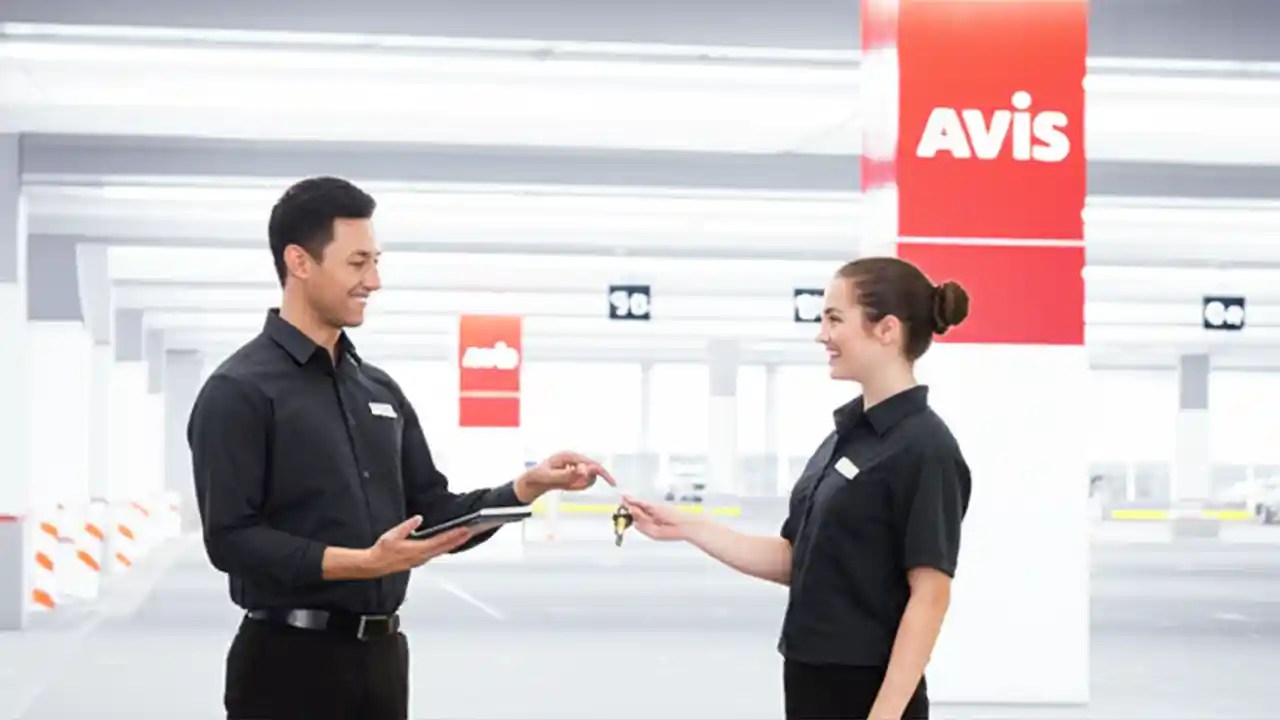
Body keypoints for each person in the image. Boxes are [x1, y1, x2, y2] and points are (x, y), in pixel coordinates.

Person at [187, 176, 614, 720]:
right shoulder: (239, 391)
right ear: (299, 262)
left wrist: (526, 488)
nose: (375, 281)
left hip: (383, 663)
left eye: (377, 262)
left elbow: (430, 515)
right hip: (285, 666)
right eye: (357, 263)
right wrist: (361, 564)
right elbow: (230, 539)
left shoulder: (378, 390)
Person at [623, 256, 972, 720]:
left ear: (886, 330)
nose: (821, 334)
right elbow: (796, 558)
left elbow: (929, 596)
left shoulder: (926, 449)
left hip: (868, 690)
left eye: (834, 319)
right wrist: (687, 526)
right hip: (811, 680)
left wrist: (885, 715)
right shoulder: (845, 437)